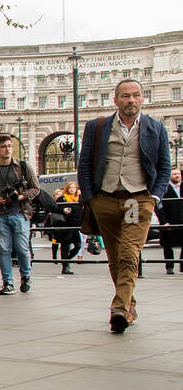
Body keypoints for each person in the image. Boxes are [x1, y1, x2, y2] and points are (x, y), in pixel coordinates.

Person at [77, 79, 172, 331]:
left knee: (130, 252)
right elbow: (85, 163)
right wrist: (90, 197)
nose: (132, 100)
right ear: (115, 99)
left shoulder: (156, 127)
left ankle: (118, 308)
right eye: (126, 96)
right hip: (105, 198)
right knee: (116, 257)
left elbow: (164, 167)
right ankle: (129, 305)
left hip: (137, 199)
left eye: (137, 95)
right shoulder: (97, 127)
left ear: (143, 98)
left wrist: (156, 197)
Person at [0, 136, 39, 295]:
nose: (8, 149)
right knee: (4, 249)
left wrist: (20, 196)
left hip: (19, 212)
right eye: (4, 147)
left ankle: (25, 276)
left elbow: (35, 188)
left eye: (10, 146)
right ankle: (7, 282)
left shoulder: (23, 166)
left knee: (22, 248)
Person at [51, 182, 83, 275]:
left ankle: (66, 261)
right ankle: (65, 267)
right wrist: (63, 210)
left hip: (75, 226)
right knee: (65, 246)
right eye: (70, 187)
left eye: (74, 187)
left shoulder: (79, 198)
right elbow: (55, 208)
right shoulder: (63, 198)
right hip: (65, 225)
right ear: (67, 189)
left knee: (78, 245)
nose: (72, 189)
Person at [157, 167, 183, 274]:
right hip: (169, 221)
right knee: (168, 246)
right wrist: (163, 221)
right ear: (169, 176)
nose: (177, 176)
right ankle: (169, 266)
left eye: (178, 174)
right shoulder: (164, 188)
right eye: (174, 174)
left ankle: (182, 266)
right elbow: (159, 207)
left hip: (181, 220)